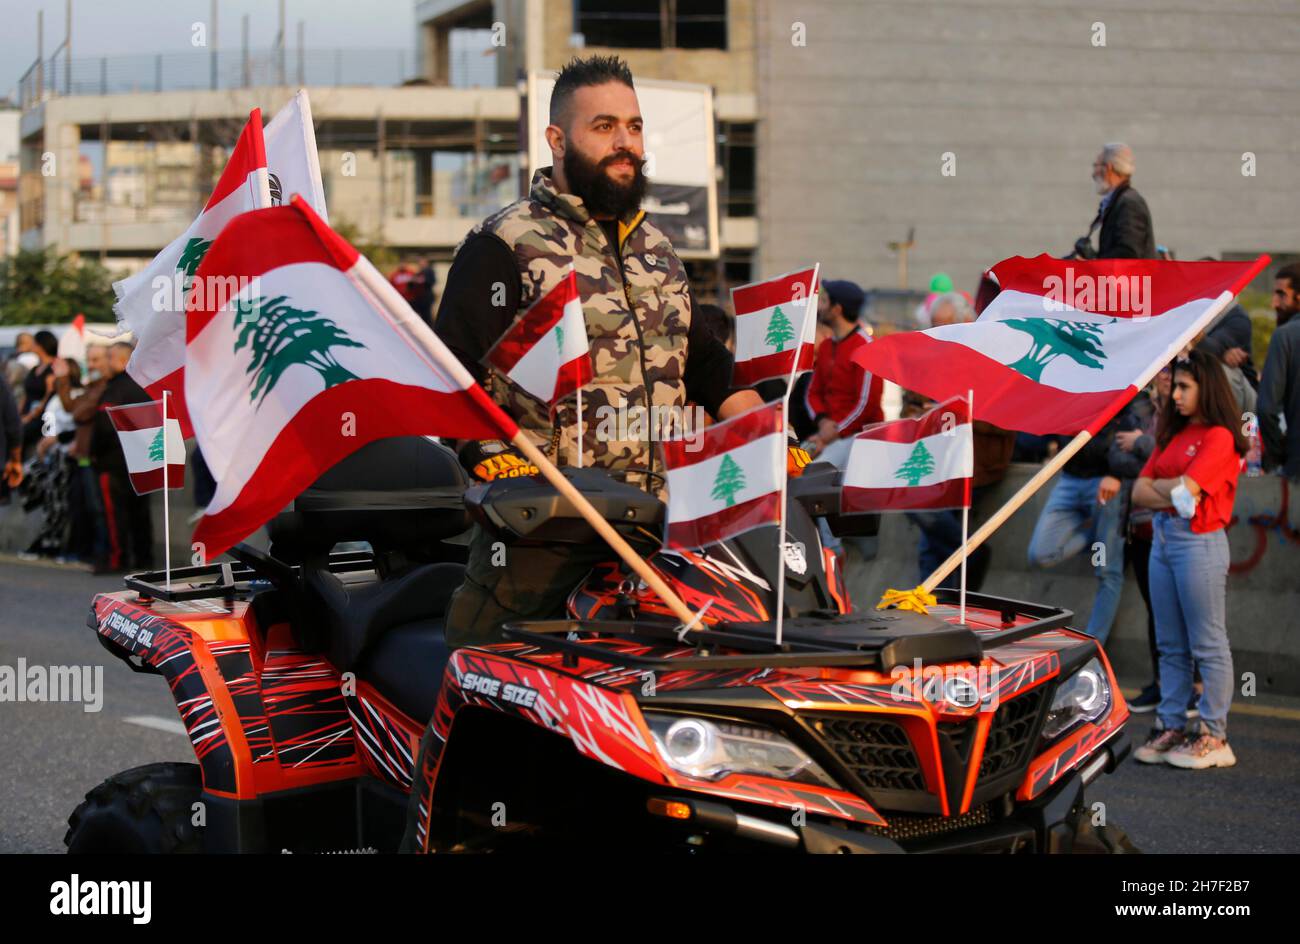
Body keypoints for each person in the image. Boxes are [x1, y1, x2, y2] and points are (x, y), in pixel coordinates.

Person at [433, 55, 769, 648]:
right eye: (605, 126)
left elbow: (706, 366)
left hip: (659, 538)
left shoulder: (660, 249)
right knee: (489, 699)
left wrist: (768, 436)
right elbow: (448, 373)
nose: (626, 144)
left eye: (635, 127)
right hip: (543, 536)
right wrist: (484, 451)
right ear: (557, 140)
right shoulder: (502, 243)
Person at [1131, 349, 1247, 769]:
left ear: (1205, 387)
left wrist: (1172, 489)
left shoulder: (1219, 436)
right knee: (1170, 645)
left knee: (1207, 642)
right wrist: (1175, 487)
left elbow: (1187, 495)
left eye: (1184, 387)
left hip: (1198, 541)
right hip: (1164, 539)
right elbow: (1140, 493)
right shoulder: (1172, 434)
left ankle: (1215, 735)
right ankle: (1172, 724)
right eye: (1174, 386)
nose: (1174, 394)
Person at [1026, 403, 1139, 644]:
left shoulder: (1126, 395)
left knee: (1108, 570)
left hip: (1106, 482)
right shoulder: (1073, 391)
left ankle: (1092, 646)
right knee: (1040, 554)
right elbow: (1034, 434)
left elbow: (1134, 436)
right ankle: (1094, 533)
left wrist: (1117, 474)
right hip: (1070, 478)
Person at [77, 341, 153, 572]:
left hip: (113, 462)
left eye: (109, 357)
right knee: (140, 512)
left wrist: (95, 453)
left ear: (121, 361)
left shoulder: (115, 389)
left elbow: (105, 426)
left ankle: (116, 558)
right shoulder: (144, 385)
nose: (105, 363)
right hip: (142, 460)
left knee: (114, 513)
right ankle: (144, 558)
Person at [803, 279, 884, 464]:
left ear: (837, 309)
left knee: (810, 474)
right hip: (830, 435)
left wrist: (834, 432)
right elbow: (812, 393)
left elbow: (866, 404)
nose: (820, 307)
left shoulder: (866, 348)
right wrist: (823, 422)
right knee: (797, 468)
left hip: (859, 438)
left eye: (824, 301)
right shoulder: (825, 346)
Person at [1072, 143, 1156, 260]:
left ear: (1109, 168)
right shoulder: (1121, 201)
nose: (1093, 174)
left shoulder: (1129, 204)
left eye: (1096, 165)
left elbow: (1128, 253)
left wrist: (1094, 263)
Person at [1258, 263, 1300, 479]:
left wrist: (1280, 454)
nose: (1274, 303)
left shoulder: (1285, 336)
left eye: (1282, 295)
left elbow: (1266, 407)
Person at [20, 330, 58, 449]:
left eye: (34, 343)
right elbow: (26, 394)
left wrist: (29, 417)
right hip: (26, 416)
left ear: (41, 346)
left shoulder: (52, 369)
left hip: (39, 420)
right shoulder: (35, 369)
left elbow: (47, 397)